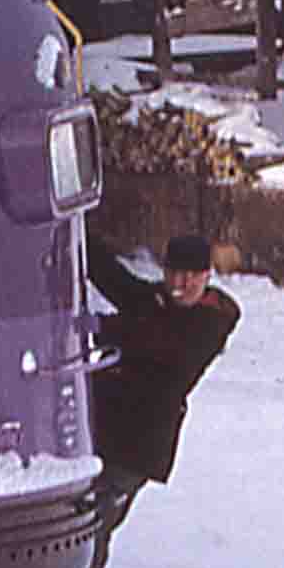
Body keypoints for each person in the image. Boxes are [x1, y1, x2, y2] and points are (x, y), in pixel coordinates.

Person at [88, 230, 239, 540]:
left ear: (206, 276)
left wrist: (101, 326)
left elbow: (156, 340)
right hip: (99, 430)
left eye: (190, 277)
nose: (179, 285)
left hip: (136, 448)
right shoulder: (157, 301)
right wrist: (74, 233)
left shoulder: (209, 325)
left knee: (90, 531)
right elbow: (116, 280)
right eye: (173, 274)